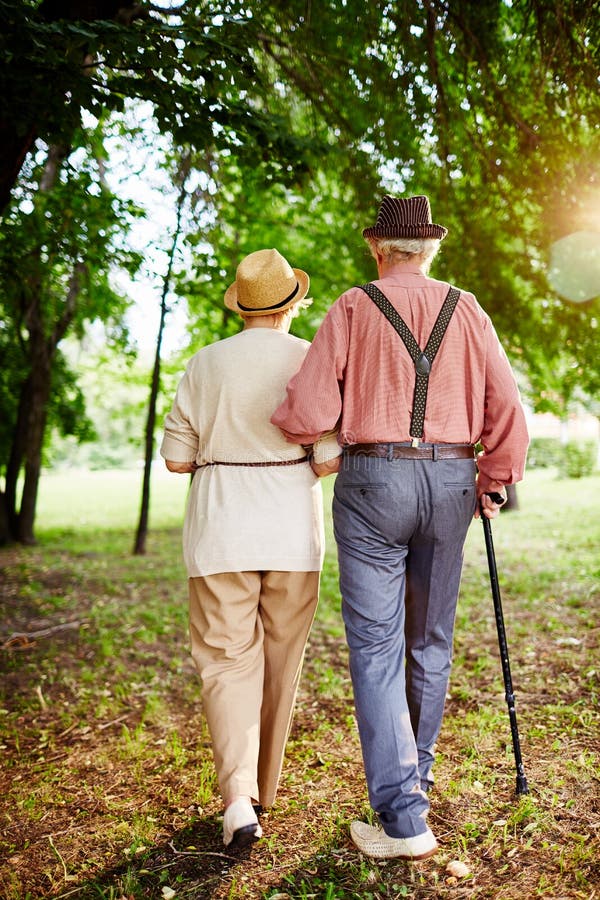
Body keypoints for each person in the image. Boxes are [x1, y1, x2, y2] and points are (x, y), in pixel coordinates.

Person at [271, 195, 529, 860]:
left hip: (373, 483)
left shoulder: (353, 306)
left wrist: (308, 424)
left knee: (378, 649)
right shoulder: (466, 308)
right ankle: (413, 785)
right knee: (430, 642)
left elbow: (305, 412)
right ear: (429, 250)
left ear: (377, 248)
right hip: (449, 481)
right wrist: (493, 479)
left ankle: (403, 818)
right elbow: (508, 407)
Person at [160, 248, 338, 850]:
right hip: (291, 532)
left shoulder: (204, 364)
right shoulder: (313, 358)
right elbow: (330, 457)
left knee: (226, 660)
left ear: (241, 306)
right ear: (293, 303)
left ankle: (237, 799)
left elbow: (176, 458)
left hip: (220, 531)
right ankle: (262, 786)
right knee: (281, 661)